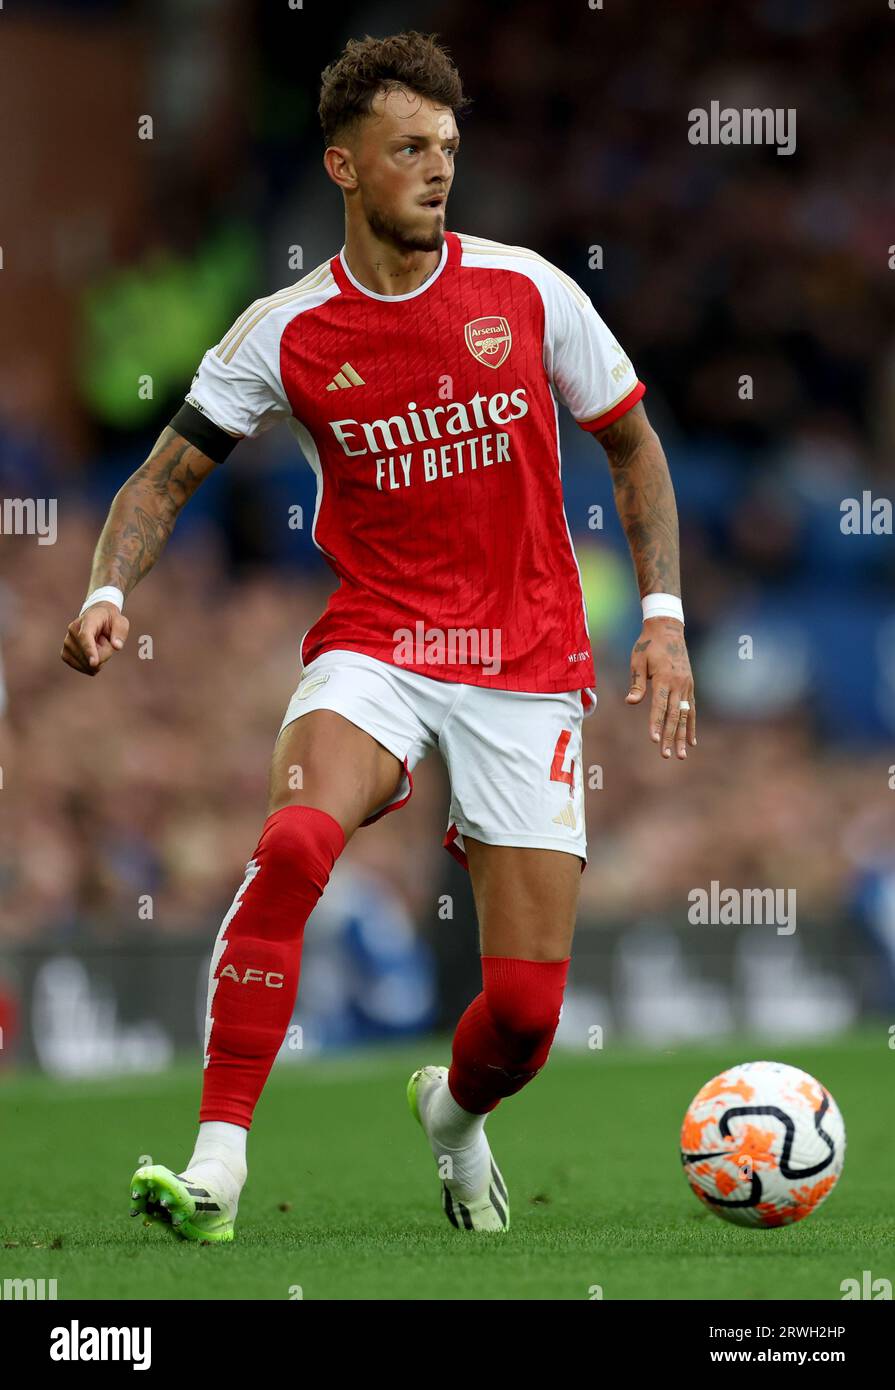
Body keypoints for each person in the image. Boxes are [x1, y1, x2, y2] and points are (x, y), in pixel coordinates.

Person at [61, 30, 696, 1241]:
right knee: (296, 841)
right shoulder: (285, 330)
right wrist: (109, 591)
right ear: (343, 166)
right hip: (379, 641)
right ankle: (217, 1166)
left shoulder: (528, 291)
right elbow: (160, 480)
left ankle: (452, 1113)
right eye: (408, 147)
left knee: (523, 1019)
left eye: (446, 145)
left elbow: (633, 446)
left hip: (525, 656)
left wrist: (662, 621)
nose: (436, 167)